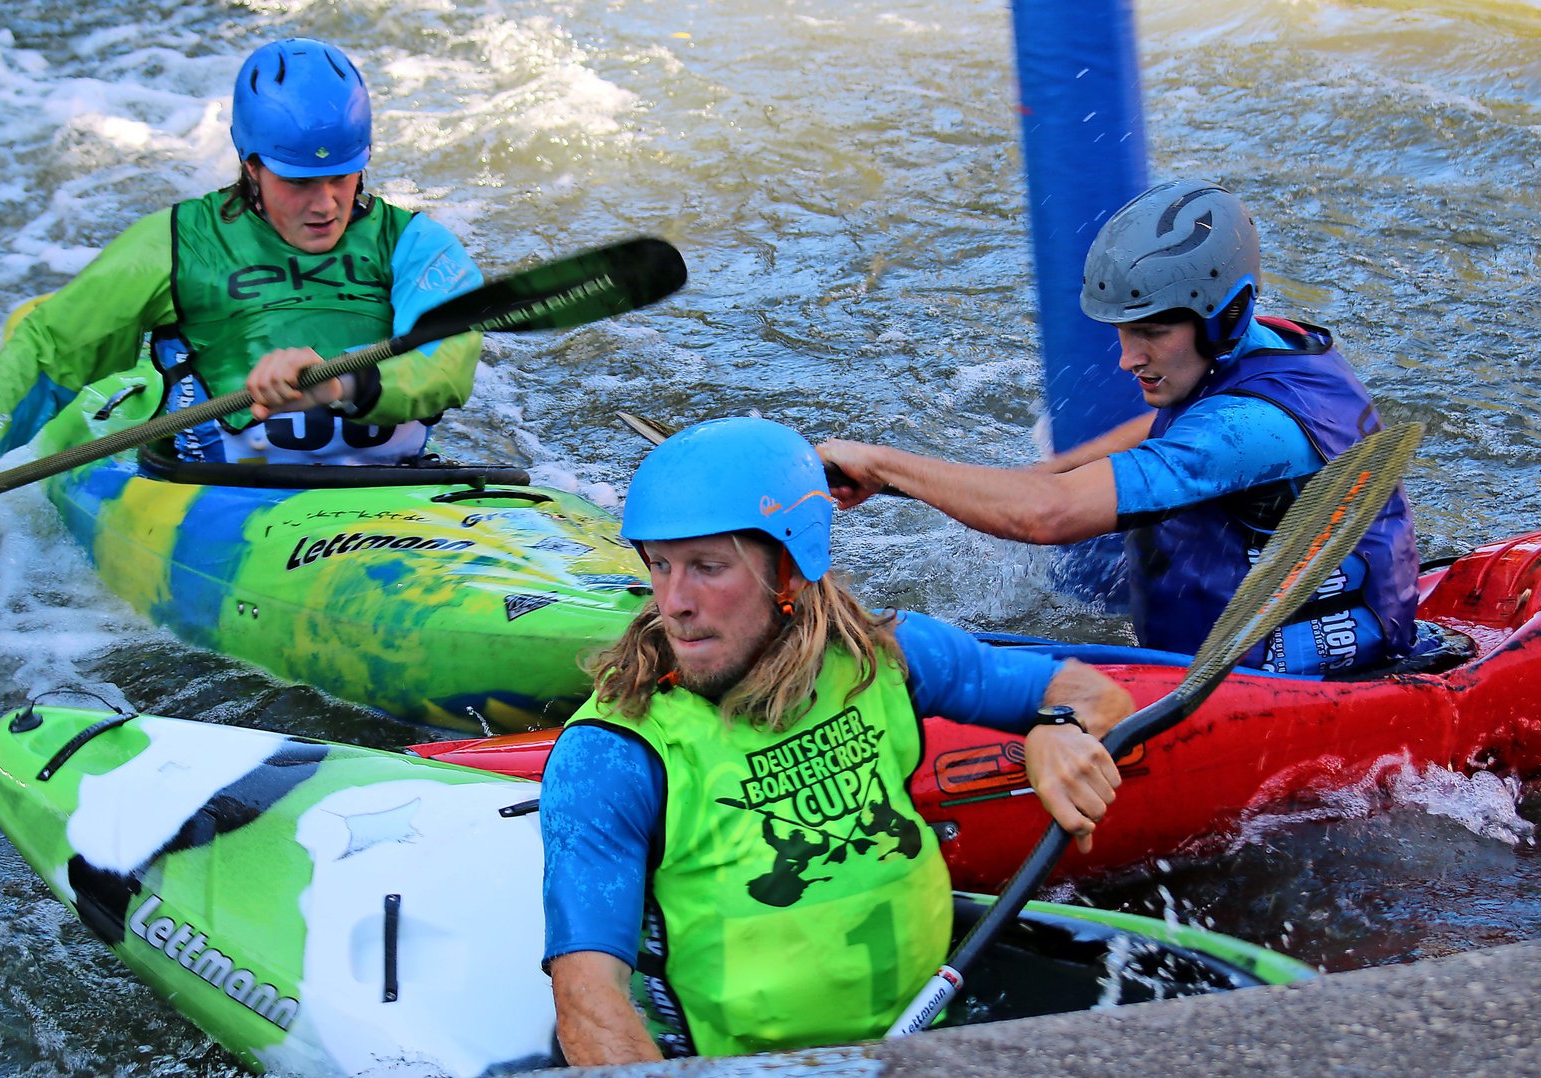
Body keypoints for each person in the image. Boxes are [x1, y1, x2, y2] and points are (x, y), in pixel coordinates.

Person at [539, 416, 1134, 1064]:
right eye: (660, 564)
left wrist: (1056, 729)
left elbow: (1093, 693)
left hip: (936, 1034)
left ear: (789, 571)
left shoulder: (887, 659)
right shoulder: (611, 754)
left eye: (707, 567)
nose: (673, 602)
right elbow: (589, 1005)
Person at [818, 179, 1418, 676]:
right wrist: (1046, 472)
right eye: (1123, 333)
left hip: (1304, 681)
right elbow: (1170, 427)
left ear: (1226, 312)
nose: (1127, 358)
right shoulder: (1265, 342)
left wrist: (882, 463)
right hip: (1239, 649)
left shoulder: (1255, 428)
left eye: (1152, 333)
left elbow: (1046, 518)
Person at [0, 37, 484, 535]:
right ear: (251, 165)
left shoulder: (417, 245)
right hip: (220, 489)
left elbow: (445, 362)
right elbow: (53, 344)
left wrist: (336, 382)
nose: (325, 202)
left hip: (397, 489)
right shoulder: (176, 245)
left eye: (341, 174)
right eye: (298, 181)